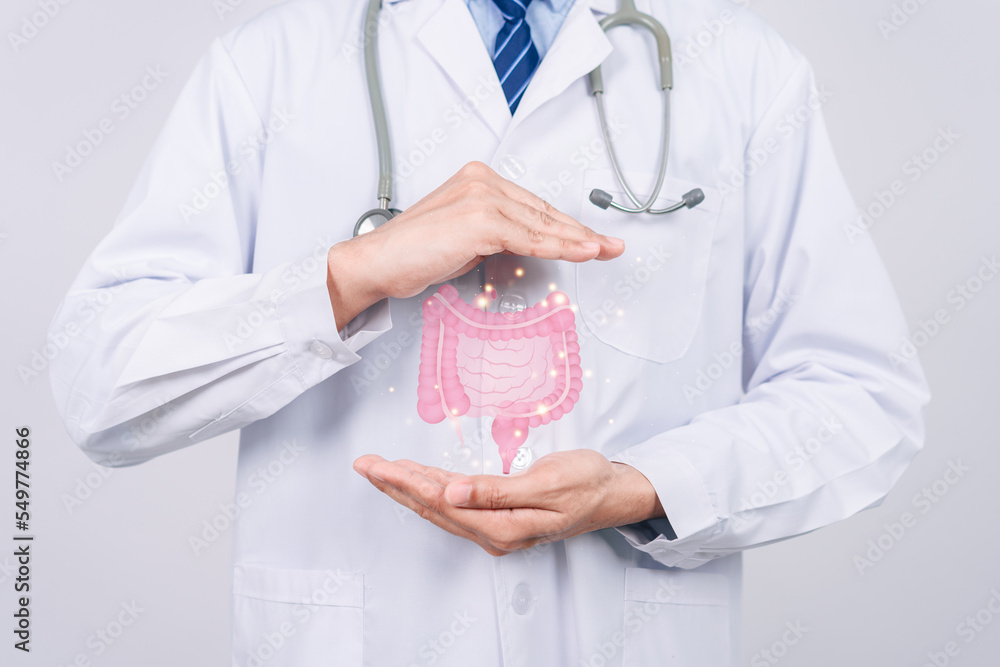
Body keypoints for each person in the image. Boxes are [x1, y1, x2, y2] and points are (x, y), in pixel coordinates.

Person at [49, 0, 930, 664]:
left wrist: (644, 488)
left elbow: (861, 397)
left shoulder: (739, 71)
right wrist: (351, 274)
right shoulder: (268, 66)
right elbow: (102, 379)